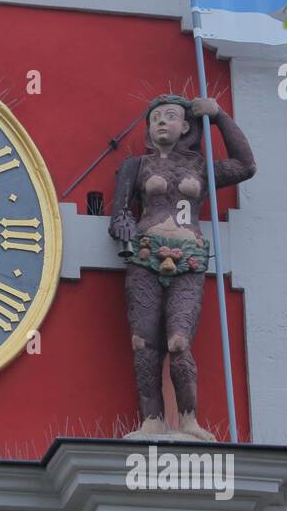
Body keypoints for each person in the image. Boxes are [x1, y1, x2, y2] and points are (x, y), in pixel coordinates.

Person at [109, 94, 255, 440]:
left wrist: (219, 116)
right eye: (156, 117)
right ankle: (152, 420)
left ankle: (189, 420)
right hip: (146, 256)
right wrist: (123, 224)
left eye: (170, 116)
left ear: (186, 126)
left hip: (189, 258)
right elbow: (119, 214)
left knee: (177, 342)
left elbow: (246, 165)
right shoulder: (136, 166)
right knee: (143, 341)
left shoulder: (201, 168)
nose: (161, 122)